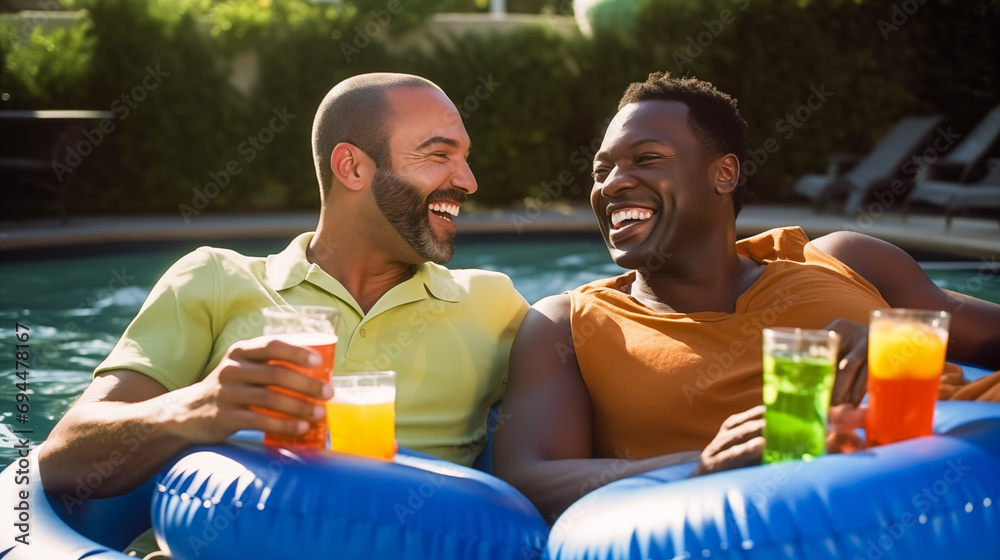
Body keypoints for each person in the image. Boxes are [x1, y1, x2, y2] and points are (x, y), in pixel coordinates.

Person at [39, 73, 529, 556]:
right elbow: (62, 461)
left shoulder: (494, 304)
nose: (467, 180)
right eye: (439, 155)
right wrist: (199, 407)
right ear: (352, 167)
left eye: (465, 158)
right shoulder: (214, 277)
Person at [493, 71, 1000, 521]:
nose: (613, 184)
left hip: (976, 452)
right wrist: (706, 462)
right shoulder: (568, 323)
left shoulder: (842, 257)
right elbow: (529, 478)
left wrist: (896, 341)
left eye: (646, 159)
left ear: (724, 173)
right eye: (601, 172)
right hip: (827, 519)